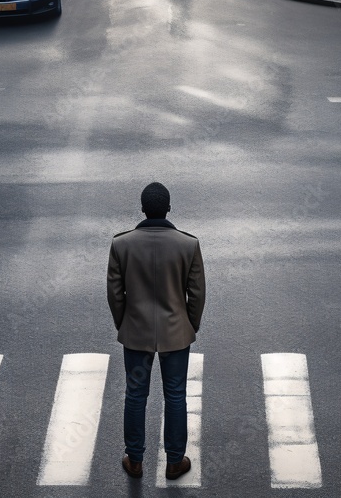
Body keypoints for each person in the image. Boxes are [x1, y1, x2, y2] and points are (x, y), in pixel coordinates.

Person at [107, 182, 206, 480]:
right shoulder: (188, 244)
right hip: (176, 333)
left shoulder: (122, 244)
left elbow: (115, 293)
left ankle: (135, 460)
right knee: (175, 395)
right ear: (169, 208)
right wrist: (190, 325)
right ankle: (175, 461)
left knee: (135, 395)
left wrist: (125, 323)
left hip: (136, 332)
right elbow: (197, 293)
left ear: (142, 208)